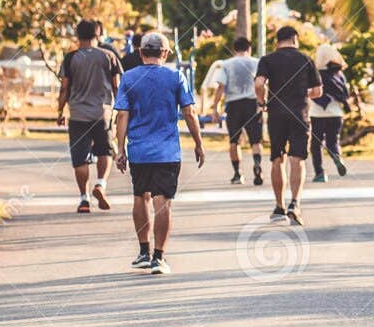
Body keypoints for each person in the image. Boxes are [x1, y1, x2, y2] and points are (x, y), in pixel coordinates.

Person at [114, 32, 205, 275]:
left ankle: (143, 252)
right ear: (165, 54)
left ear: (142, 52)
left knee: (140, 197)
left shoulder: (129, 77)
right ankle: (159, 258)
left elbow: (122, 115)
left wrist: (120, 149)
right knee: (162, 201)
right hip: (167, 151)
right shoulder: (176, 76)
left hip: (139, 151)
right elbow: (189, 112)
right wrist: (198, 143)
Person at [254, 25, 320, 225]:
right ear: (295, 39)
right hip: (300, 114)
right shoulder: (305, 59)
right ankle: (295, 203)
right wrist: (301, 93)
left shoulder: (267, 60)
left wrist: (262, 101)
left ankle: (279, 205)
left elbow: (258, 84)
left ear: (277, 41)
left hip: (276, 115)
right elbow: (317, 91)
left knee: (277, 158)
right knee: (297, 159)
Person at [58, 18, 122, 214]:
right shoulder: (109, 56)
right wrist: (120, 111)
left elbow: (64, 88)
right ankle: (101, 184)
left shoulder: (71, 58)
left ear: (78, 36)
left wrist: (60, 111)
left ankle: (84, 199)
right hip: (102, 114)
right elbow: (117, 86)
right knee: (105, 152)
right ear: (98, 35)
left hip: (78, 114)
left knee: (80, 159)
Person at [203, 37, 265, 186]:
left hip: (233, 105)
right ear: (249, 49)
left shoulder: (226, 64)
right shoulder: (256, 63)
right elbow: (262, 84)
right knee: (255, 141)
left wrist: (215, 108)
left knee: (234, 141)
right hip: (252, 103)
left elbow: (221, 87)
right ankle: (257, 167)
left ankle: (238, 173)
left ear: (234, 49)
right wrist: (262, 102)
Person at [308, 43, 349, 183]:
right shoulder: (339, 74)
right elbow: (345, 94)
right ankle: (337, 157)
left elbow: (311, 92)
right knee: (333, 141)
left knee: (316, 144)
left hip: (317, 114)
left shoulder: (315, 73)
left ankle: (320, 173)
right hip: (336, 113)